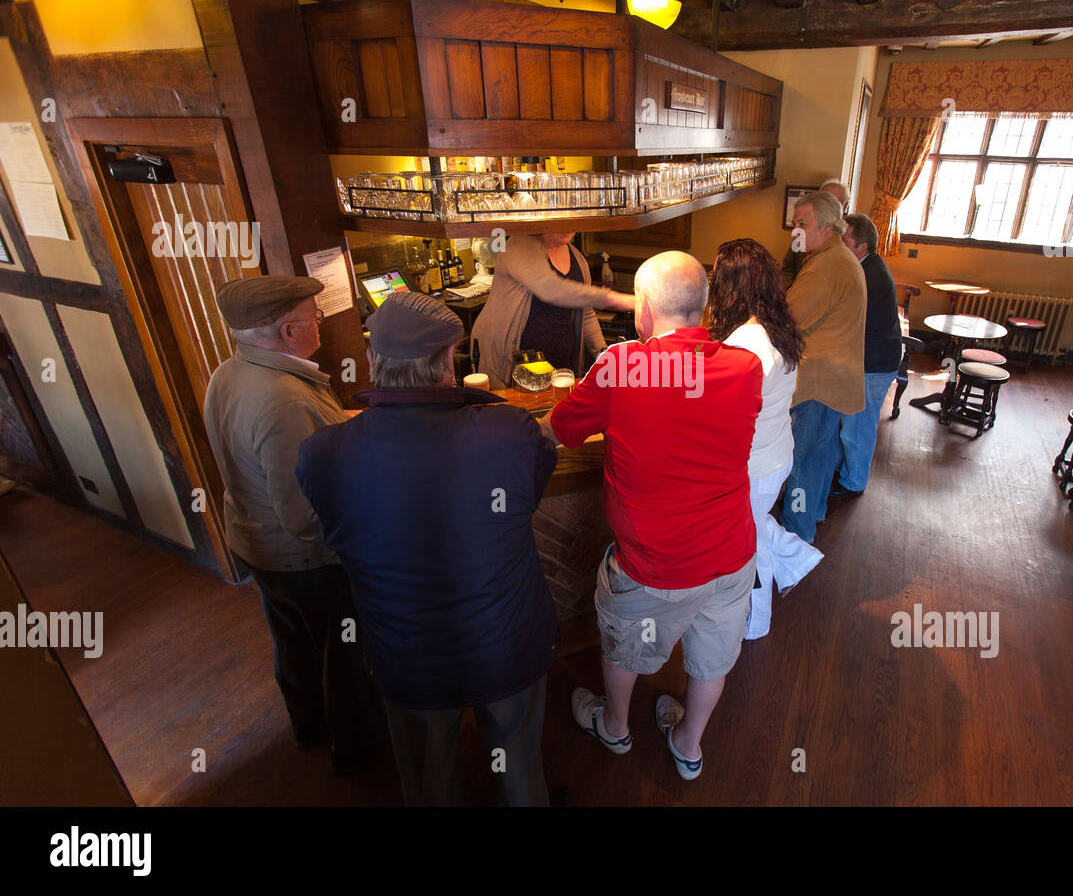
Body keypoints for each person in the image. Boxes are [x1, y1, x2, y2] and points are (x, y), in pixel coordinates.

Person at [296, 291, 558, 806]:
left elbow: (332, 532)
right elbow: (529, 497)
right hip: (506, 645)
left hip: (408, 655)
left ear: (373, 362)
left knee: (428, 783)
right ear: (447, 364)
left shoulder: (323, 452)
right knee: (520, 768)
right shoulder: (510, 431)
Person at [541, 251, 762, 781]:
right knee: (712, 659)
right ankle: (688, 744)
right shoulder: (746, 366)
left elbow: (557, 429)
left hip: (655, 566)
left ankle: (614, 727)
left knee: (626, 644)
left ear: (643, 309)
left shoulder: (622, 367)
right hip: (733, 556)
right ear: (704, 306)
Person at [203, 275, 383, 772]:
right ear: (288, 332)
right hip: (303, 558)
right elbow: (302, 514)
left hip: (254, 542)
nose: (319, 321)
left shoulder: (229, 372)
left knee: (293, 643)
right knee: (344, 654)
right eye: (315, 315)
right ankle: (359, 752)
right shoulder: (286, 398)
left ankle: (308, 727)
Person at [706, 239, 823, 640]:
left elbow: (723, 412)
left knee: (747, 543)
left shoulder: (747, 344)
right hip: (775, 453)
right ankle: (796, 556)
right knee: (754, 526)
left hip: (754, 465)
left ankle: (755, 624)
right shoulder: (775, 328)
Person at [781, 192, 867, 544]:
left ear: (829, 228)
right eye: (794, 224)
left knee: (801, 465)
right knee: (817, 461)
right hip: (834, 382)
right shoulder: (836, 258)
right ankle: (810, 518)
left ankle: (794, 537)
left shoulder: (826, 267)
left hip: (818, 384)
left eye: (802, 224)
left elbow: (788, 320)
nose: (795, 232)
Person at [471, 232, 634, 389]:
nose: (566, 227)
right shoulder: (519, 244)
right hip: (511, 360)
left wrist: (602, 353)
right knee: (514, 413)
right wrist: (618, 299)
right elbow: (551, 288)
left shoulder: (577, 257)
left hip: (561, 360)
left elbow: (586, 314)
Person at [833, 214, 902, 497]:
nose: (840, 243)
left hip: (874, 364)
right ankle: (849, 472)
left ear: (860, 246)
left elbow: (846, 320)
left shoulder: (868, 276)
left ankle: (853, 483)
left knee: (857, 429)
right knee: (853, 425)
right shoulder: (868, 267)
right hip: (874, 359)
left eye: (844, 240)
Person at [782, 178, 849, 289]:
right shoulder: (801, 232)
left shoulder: (848, 239)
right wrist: (792, 288)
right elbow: (788, 266)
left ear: (845, 205)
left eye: (832, 201)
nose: (825, 206)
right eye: (821, 200)